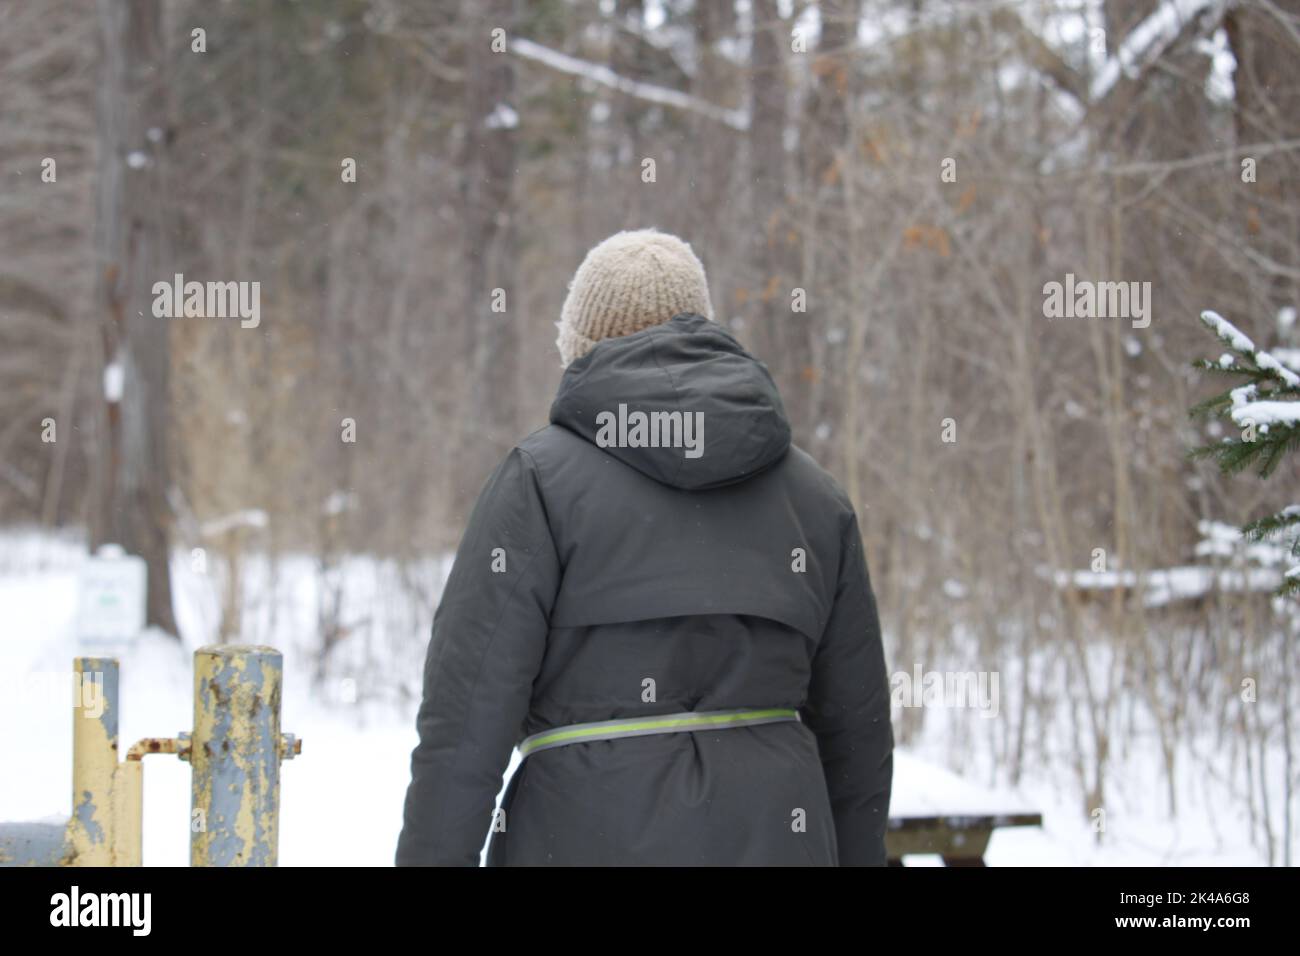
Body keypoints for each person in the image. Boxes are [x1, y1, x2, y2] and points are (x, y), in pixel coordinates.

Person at [396, 228, 893, 866]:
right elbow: (859, 733)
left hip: (582, 833)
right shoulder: (816, 500)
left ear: (582, 348)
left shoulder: (538, 482)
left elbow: (465, 722)